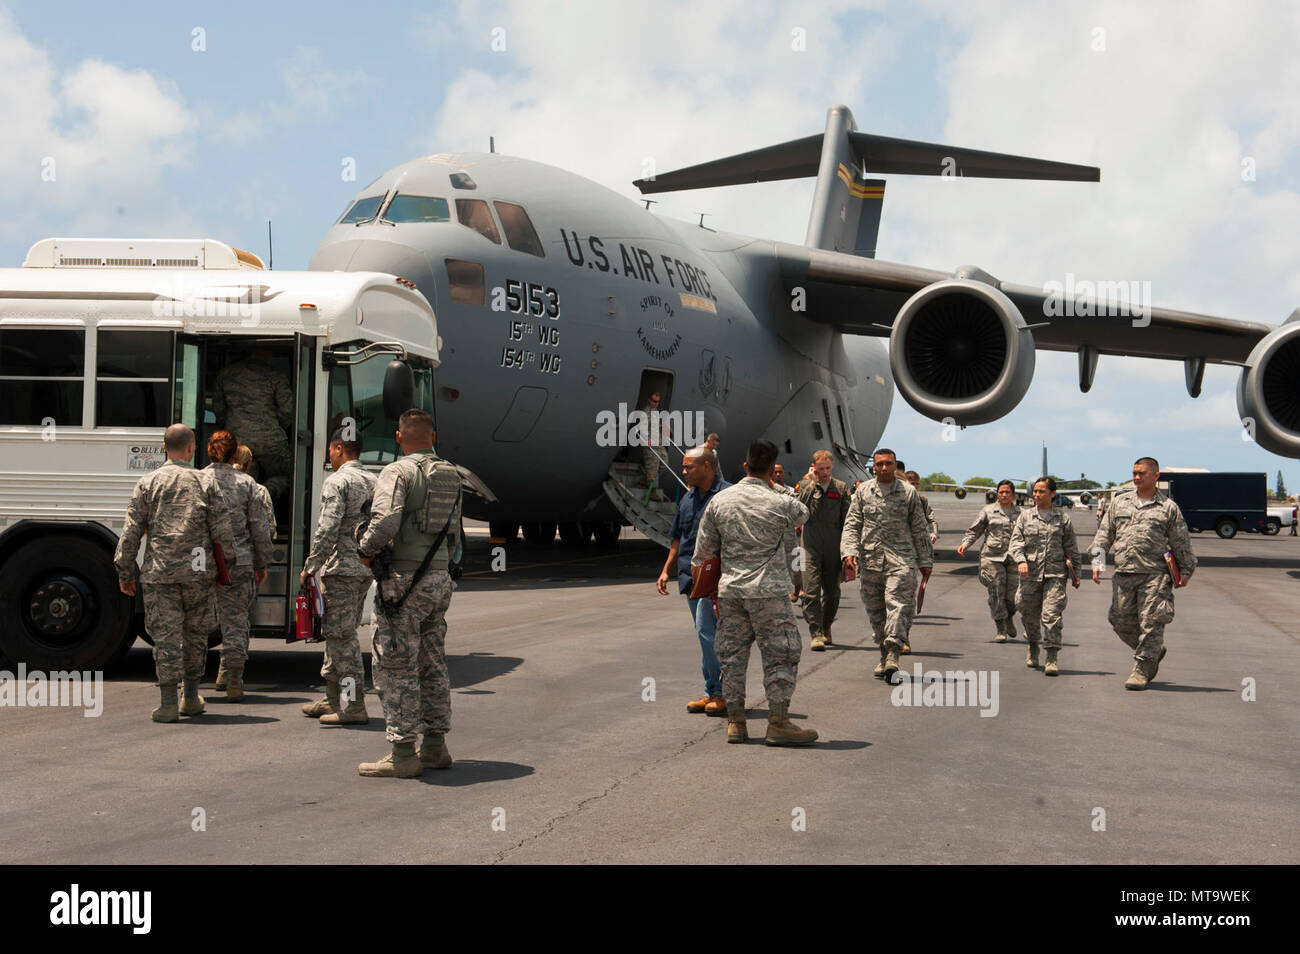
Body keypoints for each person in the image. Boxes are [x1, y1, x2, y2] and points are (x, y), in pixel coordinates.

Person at [356, 409, 462, 776]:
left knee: (395, 665)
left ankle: (402, 754)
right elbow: (455, 535)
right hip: (437, 580)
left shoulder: (396, 471)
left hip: (403, 582)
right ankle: (435, 745)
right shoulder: (450, 474)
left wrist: (365, 550)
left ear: (398, 438)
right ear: (433, 437)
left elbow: (385, 520)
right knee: (431, 662)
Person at [692, 439, 816, 746]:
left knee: (732, 658)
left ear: (745, 466)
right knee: (781, 655)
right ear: (773, 471)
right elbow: (804, 513)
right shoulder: (782, 501)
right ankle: (778, 723)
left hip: (731, 592)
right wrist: (782, 488)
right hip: (769, 593)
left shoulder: (720, 501)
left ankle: (736, 722)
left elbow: (702, 554)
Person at [113, 424, 236, 722]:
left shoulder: (147, 482)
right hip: (197, 573)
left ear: (163, 447)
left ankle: (168, 702)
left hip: (160, 574)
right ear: (192, 448)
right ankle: (191, 697)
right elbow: (223, 534)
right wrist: (224, 571)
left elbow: (131, 532)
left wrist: (125, 570)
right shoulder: (206, 482)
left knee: (166, 637)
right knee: (195, 635)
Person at [1090, 457, 1196, 690]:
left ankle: (1141, 669)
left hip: (1155, 576)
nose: (1136, 477)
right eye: (1134, 473)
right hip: (1124, 573)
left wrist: (1186, 571)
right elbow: (1104, 534)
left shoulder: (1168, 508)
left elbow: (1181, 542)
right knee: (1119, 620)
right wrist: (1098, 562)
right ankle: (1153, 649)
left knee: (1151, 623)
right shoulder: (1120, 502)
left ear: (1156, 476)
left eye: (1142, 473)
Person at [300, 427, 377, 724]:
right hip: (364, 569)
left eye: (330, 451)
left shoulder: (339, 481)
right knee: (339, 631)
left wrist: (311, 565)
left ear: (338, 449)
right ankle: (332, 698)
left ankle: (353, 705)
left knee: (341, 636)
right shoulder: (375, 480)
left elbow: (328, 527)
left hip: (341, 570)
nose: (329, 457)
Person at [840, 448, 933, 681]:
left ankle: (893, 653)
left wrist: (925, 561)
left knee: (898, 606)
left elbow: (920, 528)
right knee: (876, 612)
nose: (883, 468)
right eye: (879, 464)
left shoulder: (908, 493)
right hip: (870, 560)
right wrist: (848, 551)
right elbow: (852, 524)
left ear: (895, 465)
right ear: (874, 466)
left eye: (888, 464)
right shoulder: (863, 491)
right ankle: (884, 655)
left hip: (901, 559)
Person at [656, 446, 731, 716]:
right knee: (704, 637)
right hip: (690, 577)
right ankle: (711, 691)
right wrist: (666, 570)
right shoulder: (687, 499)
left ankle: (721, 693)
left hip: (714, 579)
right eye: (684, 467)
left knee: (706, 632)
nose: (683, 471)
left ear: (708, 467)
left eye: (689, 467)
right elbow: (678, 538)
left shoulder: (727, 495)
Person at [203, 430, 272, 701]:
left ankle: (189, 684)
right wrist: (261, 562)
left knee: (195, 623)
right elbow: (260, 529)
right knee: (236, 622)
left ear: (208, 450)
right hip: (239, 562)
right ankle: (233, 679)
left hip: (202, 563)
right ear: (235, 454)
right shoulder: (248, 485)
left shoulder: (197, 480)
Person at [1008, 477, 1081, 675]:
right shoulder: (1025, 517)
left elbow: (1071, 548)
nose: (1037, 495)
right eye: (1035, 491)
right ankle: (1033, 644)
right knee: (1027, 613)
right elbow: (1015, 542)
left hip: (1055, 575)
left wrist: (1076, 574)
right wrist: (1021, 560)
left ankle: (1051, 656)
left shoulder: (1062, 519)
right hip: (1029, 575)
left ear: (1052, 494)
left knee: (1052, 616)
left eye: (1041, 491)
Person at [213, 347, 293, 502]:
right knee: (288, 474)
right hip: (270, 440)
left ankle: (246, 505)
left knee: (240, 480)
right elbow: (288, 410)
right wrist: (274, 425)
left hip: (237, 440)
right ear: (268, 353)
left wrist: (231, 426)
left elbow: (218, 409)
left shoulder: (226, 374)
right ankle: (262, 496)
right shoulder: (275, 375)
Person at [797, 450, 851, 651]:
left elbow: (848, 520)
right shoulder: (804, 486)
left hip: (833, 545)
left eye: (828, 468)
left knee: (832, 593)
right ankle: (816, 632)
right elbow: (798, 509)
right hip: (810, 545)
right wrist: (811, 485)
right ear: (813, 467)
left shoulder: (840, 487)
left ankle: (826, 626)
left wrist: (848, 551)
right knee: (810, 592)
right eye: (821, 469)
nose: (825, 472)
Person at [957, 479, 1022, 643]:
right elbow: (975, 530)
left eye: (1007, 492)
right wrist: (965, 544)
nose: (1004, 495)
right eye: (1001, 492)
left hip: (1013, 558)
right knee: (997, 592)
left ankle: (1009, 617)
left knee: (1014, 596)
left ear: (1013, 494)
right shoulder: (988, 511)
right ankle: (1000, 628)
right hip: (991, 557)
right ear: (997, 493)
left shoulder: (1021, 513)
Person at [772, 463, 802, 602]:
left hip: (790, 534)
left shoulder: (790, 491)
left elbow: (799, 506)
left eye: (780, 472)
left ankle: (797, 588)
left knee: (796, 565)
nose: (778, 475)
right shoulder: (766, 491)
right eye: (775, 472)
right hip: (773, 535)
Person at [639, 391, 666, 499]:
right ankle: (652, 491)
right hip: (650, 444)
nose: (656, 403)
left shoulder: (655, 411)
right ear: (649, 400)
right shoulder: (645, 413)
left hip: (658, 442)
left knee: (664, 463)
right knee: (652, 467)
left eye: (658, 402)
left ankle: (647, 478)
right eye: (654, 401)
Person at [904, 471, 939, 545]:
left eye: (917, 483)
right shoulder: (898, 498)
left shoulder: (922, 499)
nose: (915, 486)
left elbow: (931, 519)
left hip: (919, 541)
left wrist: (933, 533)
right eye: (912, 483)